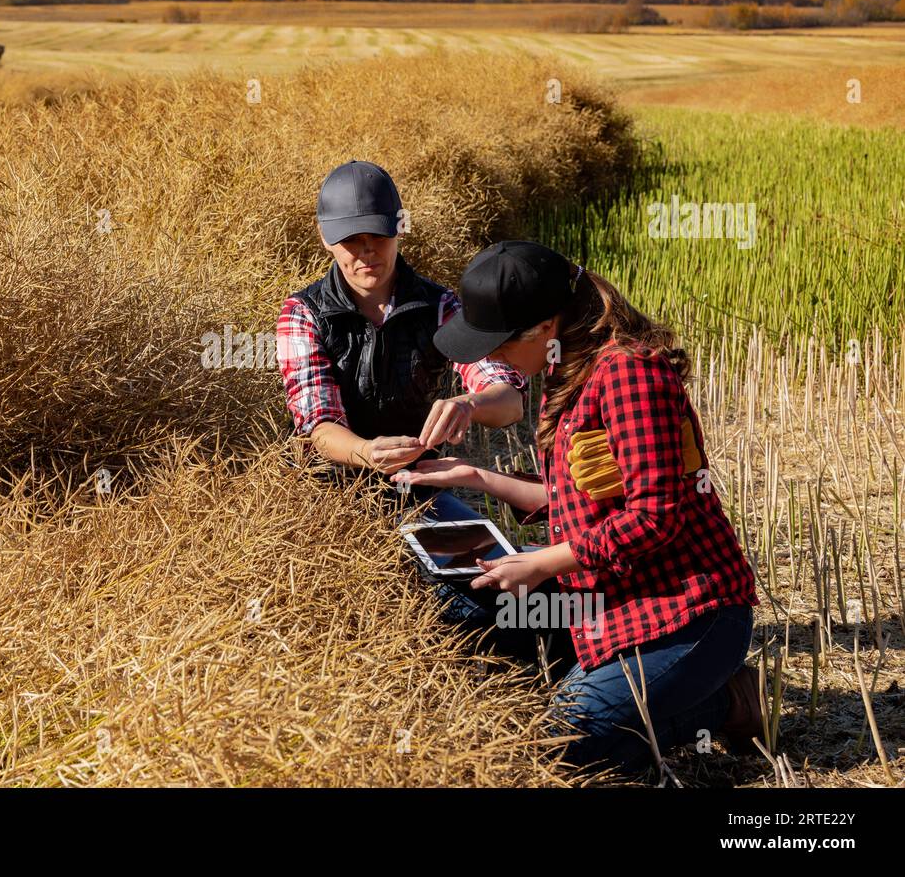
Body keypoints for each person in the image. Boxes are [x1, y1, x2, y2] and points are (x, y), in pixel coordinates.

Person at [396, 240, 762, 774]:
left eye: (496, 343)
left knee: (558, 749)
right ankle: (610, 680)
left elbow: (655, 514)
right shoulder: (569, 368)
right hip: (606, 599)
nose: (489, 358)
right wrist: (478, 477)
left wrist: (543, 563)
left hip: (686, 612)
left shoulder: (630, 375)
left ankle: (725, 703)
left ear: (544, 326)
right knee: (458, 597)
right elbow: (578, 501)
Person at [276, 161, 570, 666]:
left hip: (420, 493)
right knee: (430, 611)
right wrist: (366, 452)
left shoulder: (442, 307)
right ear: (327, 240)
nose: (367, 251)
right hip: (325, 500)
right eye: (352, 240)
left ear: (399, 230)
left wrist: (468, 403)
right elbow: (316, 427)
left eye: (379, 236)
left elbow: (508, 402)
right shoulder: (302, 314)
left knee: (521, 598)